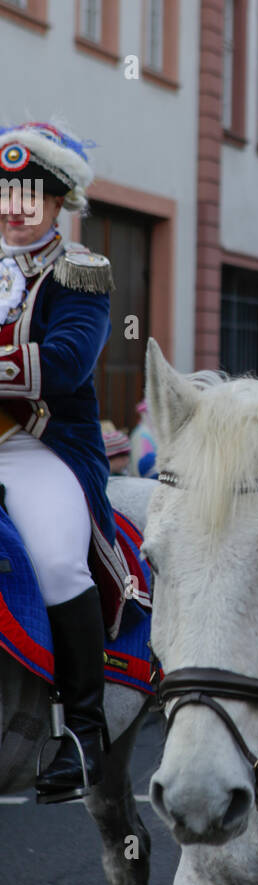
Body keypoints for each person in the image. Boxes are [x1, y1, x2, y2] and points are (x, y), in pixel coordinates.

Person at [0, 122, 122, 801]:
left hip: (36, 445)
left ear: (58, 203)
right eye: (5, 192)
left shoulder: (81, 272)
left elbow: (66, 365)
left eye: (31, 195)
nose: (15, 207)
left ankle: (82, 732)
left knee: (56, 558)